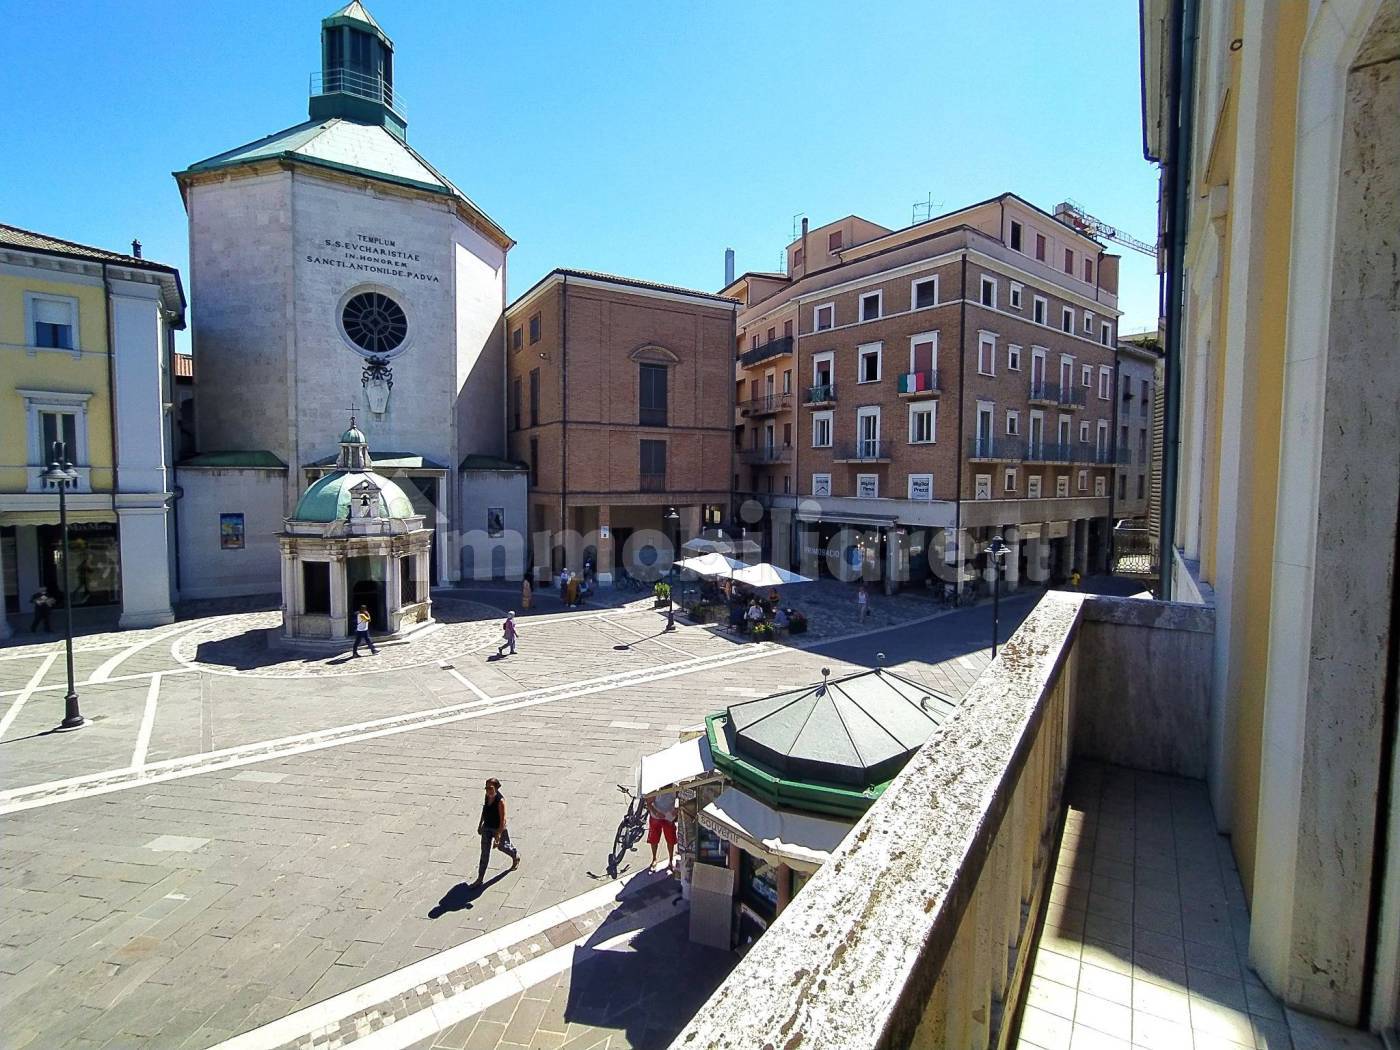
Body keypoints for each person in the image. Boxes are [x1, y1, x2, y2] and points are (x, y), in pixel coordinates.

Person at [474, 777, 520, 884]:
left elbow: (503, 820)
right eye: (486, 788)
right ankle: (480, 878)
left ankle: (515, 855)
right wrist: (480, 824)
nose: (488, 790)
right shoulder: (487, 796)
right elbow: (484, 810)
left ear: (496, 788)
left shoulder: (500, 801)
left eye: (490, 788)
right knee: (484, 852)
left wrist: (498, 836)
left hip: (498, 828)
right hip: (487, 828)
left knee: (503, 847)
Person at [647, 790, 678, 873]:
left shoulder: (675, 789)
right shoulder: (656, 791)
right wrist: (656, 812)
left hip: (668, 818)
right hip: (656, 818)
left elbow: (681, 800)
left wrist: (676, 810)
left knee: (670, 840)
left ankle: (670, 860)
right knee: (654, 839)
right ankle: (654, 858)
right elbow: (648, 803)